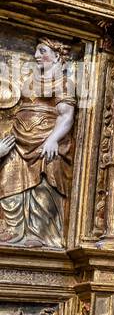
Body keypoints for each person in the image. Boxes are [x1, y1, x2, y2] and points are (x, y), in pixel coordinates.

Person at [0, 38, 76, 247]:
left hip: (47, 140)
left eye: (42, 51)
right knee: (8, 177)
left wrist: (52, 140)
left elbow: (66, 116)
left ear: (57, 55)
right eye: (35, 51)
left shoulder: (63, 83)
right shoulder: (29, 80)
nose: (36, 56)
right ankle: (13, 229)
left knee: (44, 185)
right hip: (19, 136)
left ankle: (39, 233)